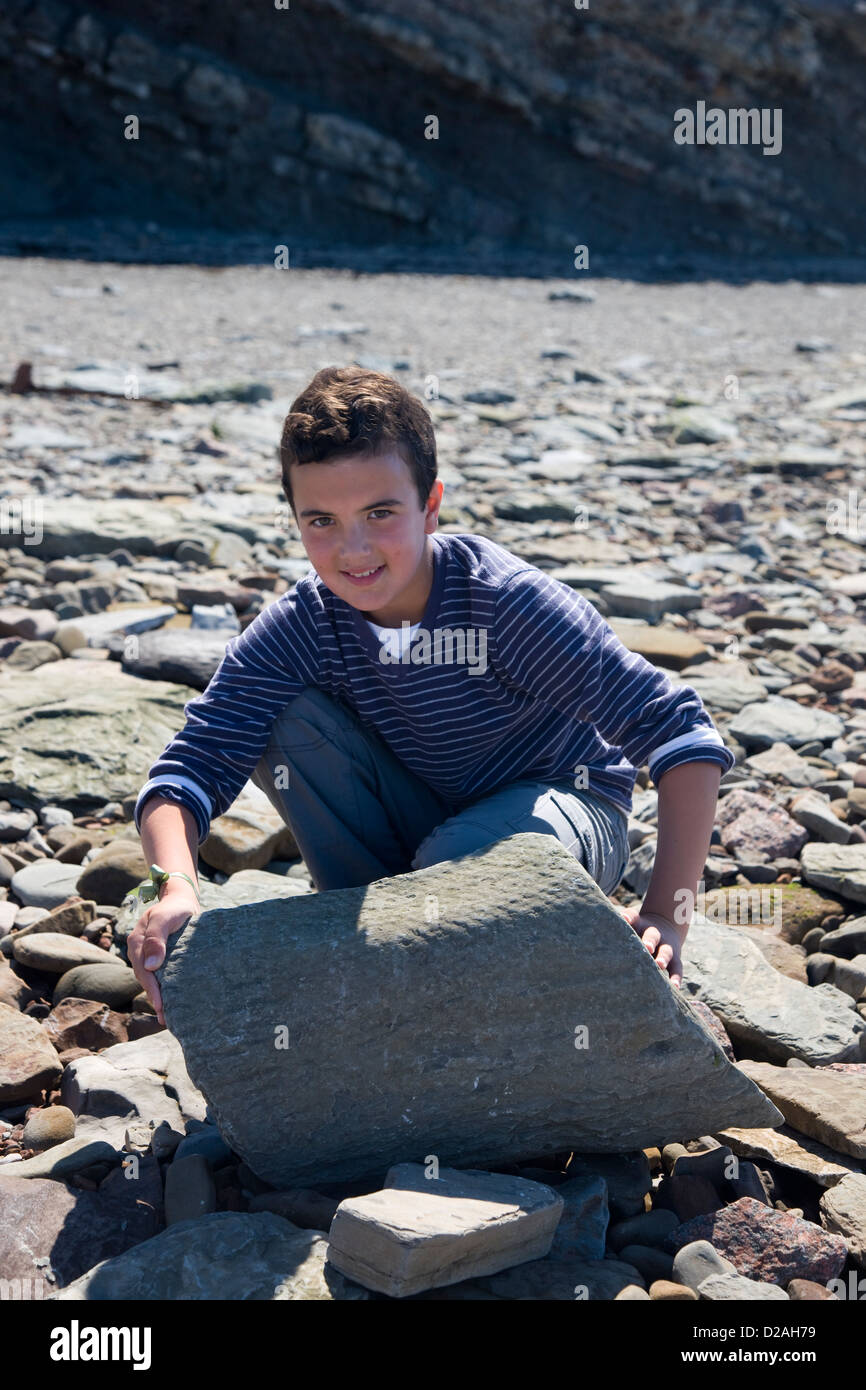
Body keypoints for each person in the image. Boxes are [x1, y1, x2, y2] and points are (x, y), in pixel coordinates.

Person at [127, 365, 734, 1023]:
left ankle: (444, 929)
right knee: (281, 715)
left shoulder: (507, 605)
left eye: (380, 513)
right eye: (321, 520)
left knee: (455, 863)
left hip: (566, 807)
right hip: (417, 823)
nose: (353, 549)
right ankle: (378, 919)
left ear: (432, 504)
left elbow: (683, 735)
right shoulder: (304, 624)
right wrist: (178, 887)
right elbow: (189, 768)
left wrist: (666, 916)